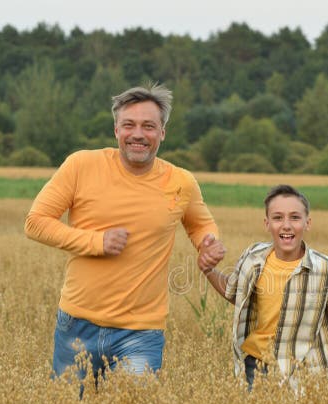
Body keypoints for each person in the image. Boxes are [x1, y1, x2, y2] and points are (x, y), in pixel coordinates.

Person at [24, 83, 225, 385]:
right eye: (129, 125)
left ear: (162, 133)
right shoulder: (81, 165)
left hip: (142, 332)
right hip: (76, 324)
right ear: (116, 129)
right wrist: (97, 241)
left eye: (149, 126)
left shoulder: (182, 182)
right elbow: (36, 222)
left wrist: (207, 243)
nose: (138, 134)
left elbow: (200, 225)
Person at [201, 184, 328, 391]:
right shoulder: (252, 258)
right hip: (256, 365)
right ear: (267, 223)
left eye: (295, 218)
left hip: (308, 372)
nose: (286, 225)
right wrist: (208, 271)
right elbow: (234, 292)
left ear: (308, 223)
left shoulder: (325, 269)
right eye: (278, 218)